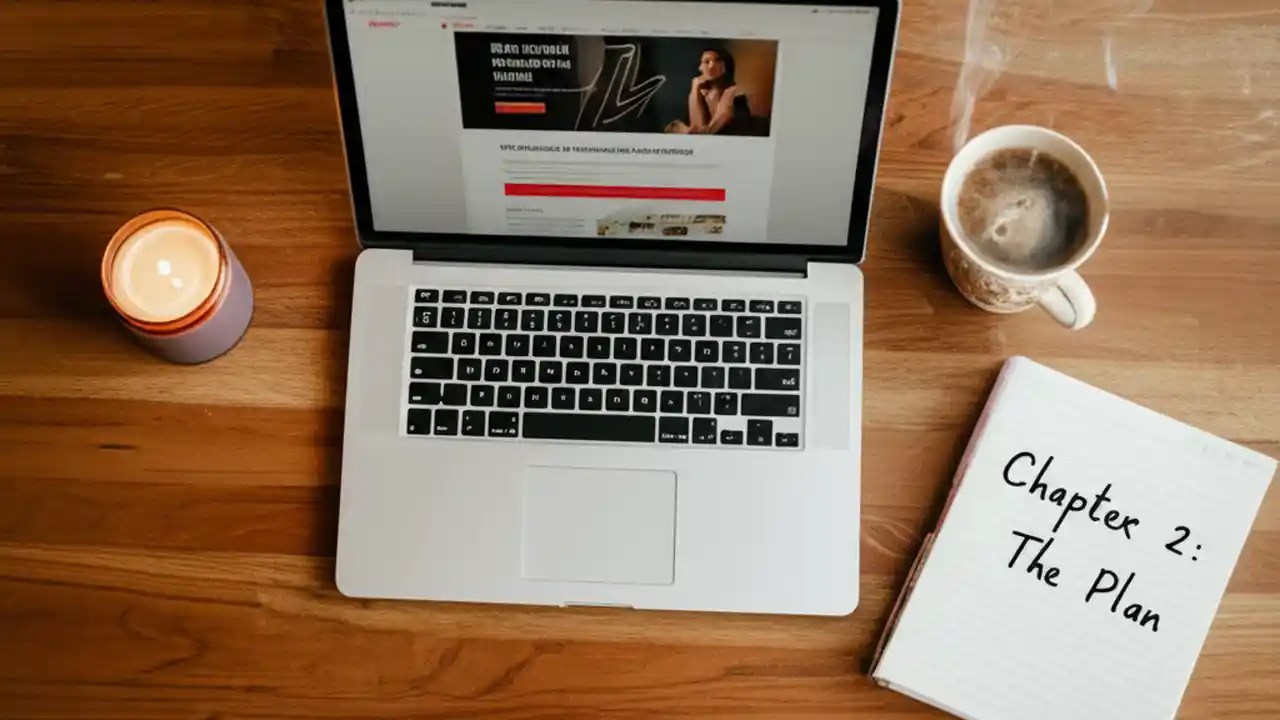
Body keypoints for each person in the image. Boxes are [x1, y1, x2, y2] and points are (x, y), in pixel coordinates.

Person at [671, 48, 751, 135]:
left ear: (725, 66)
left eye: (718, 61)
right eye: (706, 62)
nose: (711, 66)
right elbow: (696, 128)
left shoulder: (735, 94)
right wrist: (695, 90)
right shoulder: (698, 92)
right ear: (700, 67)